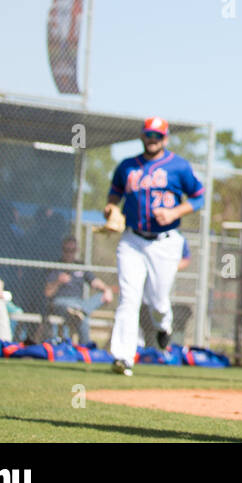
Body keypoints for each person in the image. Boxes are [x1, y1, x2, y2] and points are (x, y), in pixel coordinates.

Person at [104, 117, 205, 375]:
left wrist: (174, 213)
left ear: (166, 139)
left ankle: (164, 326)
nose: (152, 139)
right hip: (133, 239)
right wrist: (112, 207)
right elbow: (115, 191)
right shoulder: (128, 166)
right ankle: (123, 357)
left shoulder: (178, 166)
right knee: (129, 297)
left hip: (165, 241)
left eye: (157, 136)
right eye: (149, 135)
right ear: (142, 136)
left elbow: (198, 196)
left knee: (158, 302)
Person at [44, 235, 113, 344]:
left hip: (79, 302)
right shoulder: (56, 266)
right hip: (62, 302)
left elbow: (94, 282)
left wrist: (107, 289)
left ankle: (81, 310)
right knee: (82, 319)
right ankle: (85, 348)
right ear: (62, 250)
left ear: (77, 250)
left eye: (72, 250)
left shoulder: (80, 265)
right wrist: (58, 282)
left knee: (99, 298)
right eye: (66, 250)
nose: (69, 253)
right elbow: (47, 293)